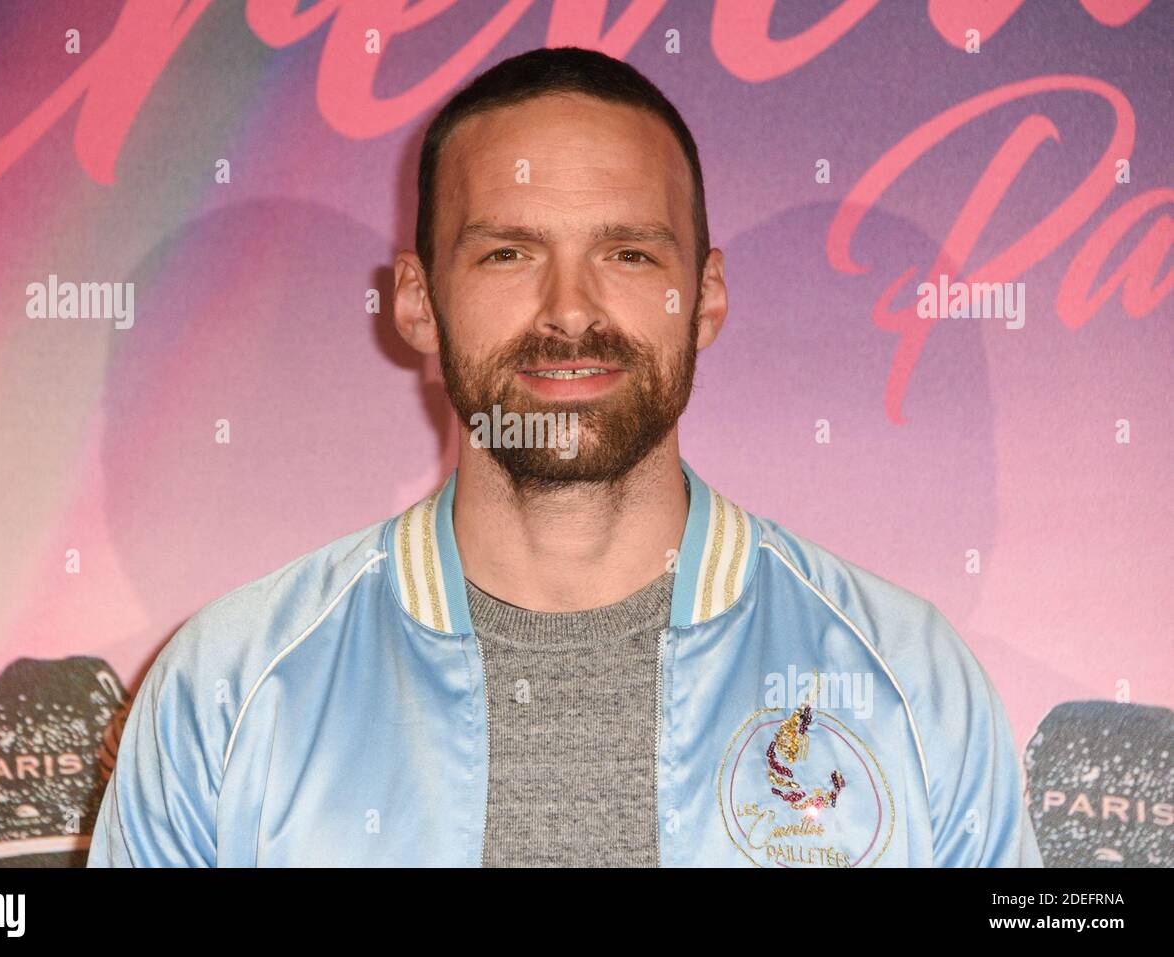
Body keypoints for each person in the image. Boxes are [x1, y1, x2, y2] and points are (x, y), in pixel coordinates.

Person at [88, 46, 1042, 868]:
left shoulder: (908, 685)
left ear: (705, 294)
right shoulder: (229, 690)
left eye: (629, 254)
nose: (571, 310)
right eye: (507, 253)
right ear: (417, 301)